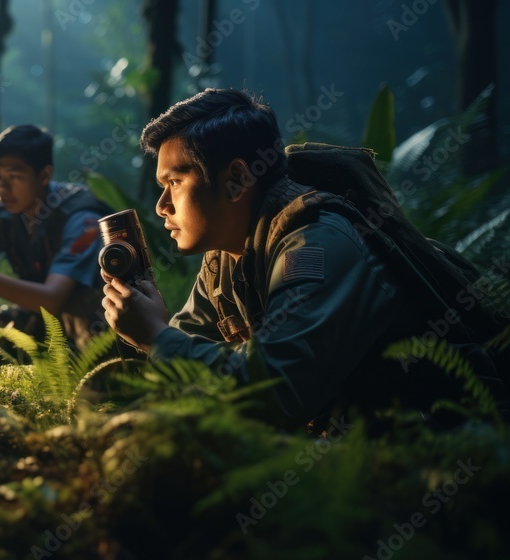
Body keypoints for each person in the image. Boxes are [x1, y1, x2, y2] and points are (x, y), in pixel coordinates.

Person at [102, 88, 507, 428]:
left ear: (238, 178)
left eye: (174, 182)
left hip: (449, 454)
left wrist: (156, 337)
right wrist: (146, 335)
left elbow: (277, 390)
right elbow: (191, 357)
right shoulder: (227, 255)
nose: (160, 206)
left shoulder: (317, 245)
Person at [0, 124, 114, 348]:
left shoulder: (82, 219)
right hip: (42, 316)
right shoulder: (1, 212)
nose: (3, 188)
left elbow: (52, 299)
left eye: (14, 177)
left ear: (44, 175)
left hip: (96, 324)